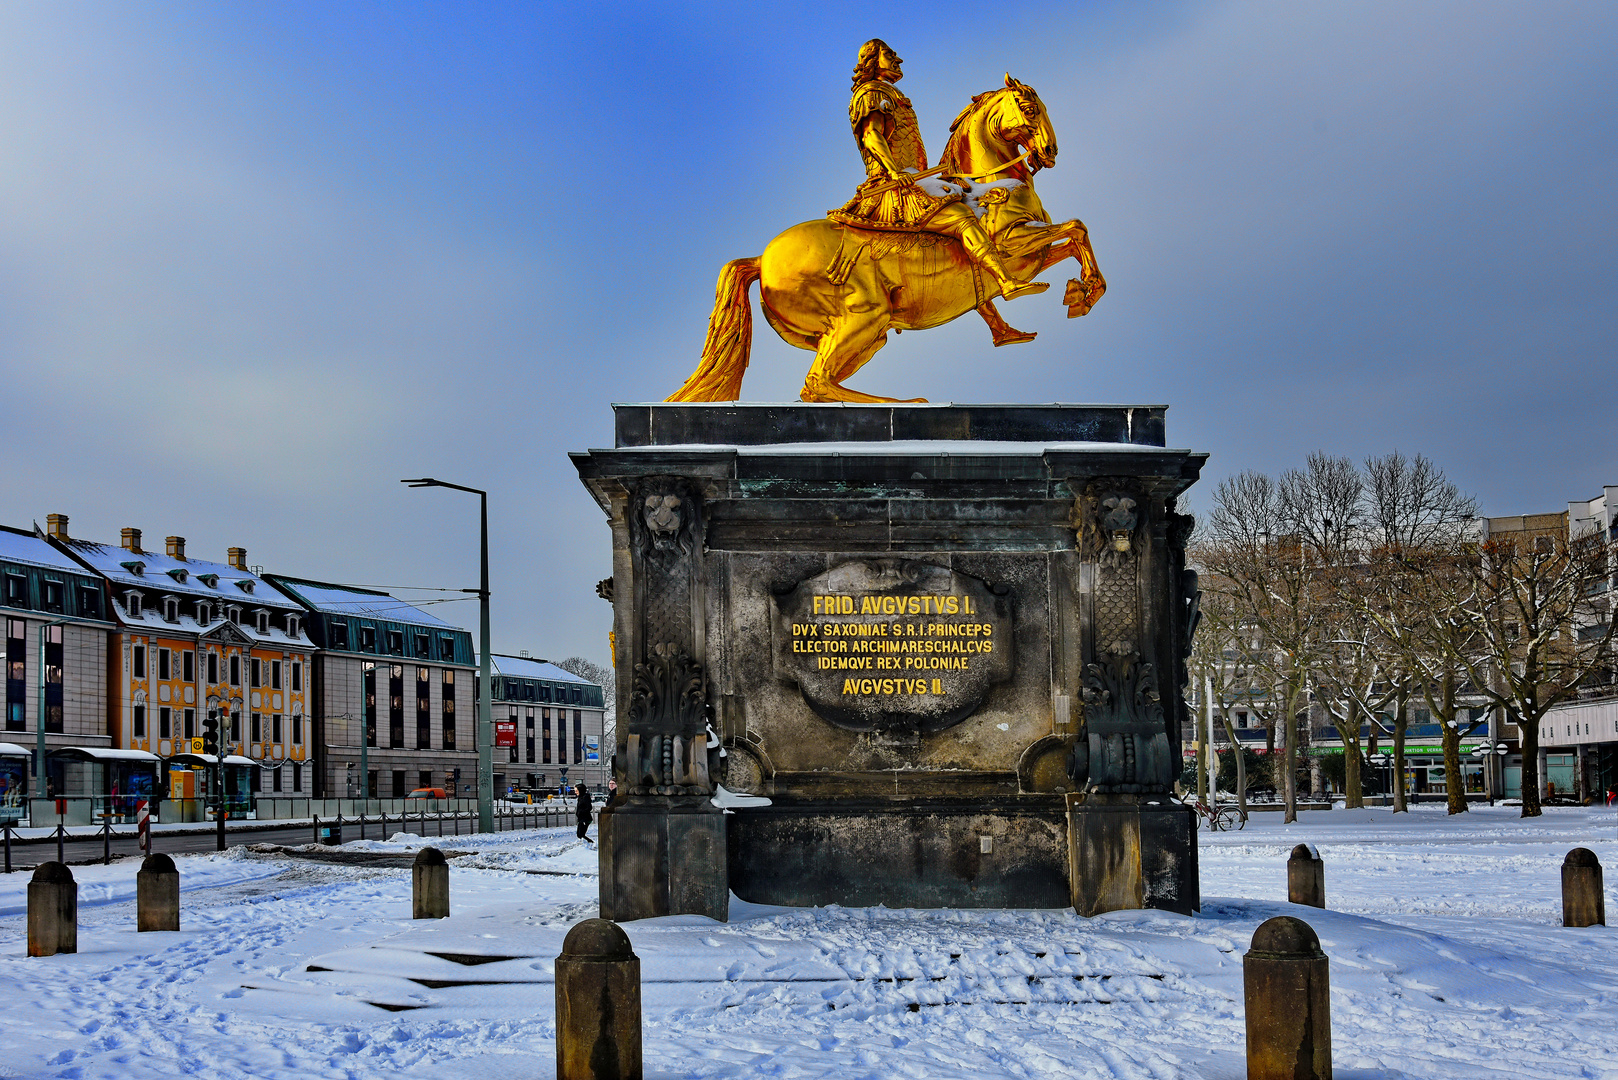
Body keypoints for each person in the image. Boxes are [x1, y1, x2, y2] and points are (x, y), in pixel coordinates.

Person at [828, 39, 1048, 303]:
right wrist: (894, 173)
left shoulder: (891, 95)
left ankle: (996, 324)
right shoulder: (871, 95)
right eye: (890, 55)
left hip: (912, 178)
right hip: (894, 186)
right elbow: (872, 136)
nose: (898, 60)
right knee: (963, 219)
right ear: (873, 62)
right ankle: (1005, 282)